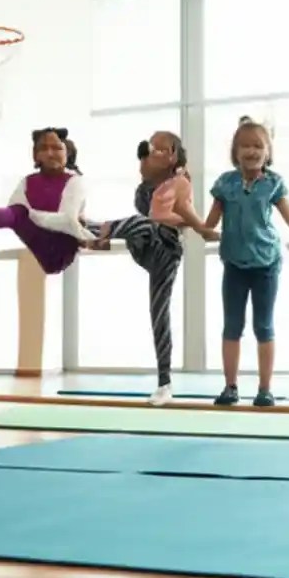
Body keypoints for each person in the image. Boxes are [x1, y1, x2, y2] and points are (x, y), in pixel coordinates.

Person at [88, 132, 219, 405]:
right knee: (143, 224)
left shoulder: (181, 182)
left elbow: (180, 212)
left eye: (159, 149)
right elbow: (150, 212)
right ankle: (94, 232)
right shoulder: (144, 187)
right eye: (150, 149)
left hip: (166, 250)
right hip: (144, 244)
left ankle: (164, 383)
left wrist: (202, 228)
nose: (150, 152)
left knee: (158, 313)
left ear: (173, 156)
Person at [203, 116, 289, 407]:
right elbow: (208, 226)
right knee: (232, 326)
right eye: (244, 146)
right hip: (234, 263)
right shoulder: (225, 183)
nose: (251, 151)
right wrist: (183, 215)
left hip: (265, 264)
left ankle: (264, 389)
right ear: (235, 152)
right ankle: (230, 387)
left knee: (263, 326)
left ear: (267, 152)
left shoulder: (273, 183)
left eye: (258, 145)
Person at [0, 127, 95, 274]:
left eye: (56, 148)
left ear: (67, 153)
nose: (50, 154)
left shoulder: (75, 181)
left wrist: (33, 216)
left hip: (62, 246)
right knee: (17, 212)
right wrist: (24, 216)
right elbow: (11, 216)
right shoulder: (29, 182)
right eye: (43, 149)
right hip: (40, 243)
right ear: (36, 155)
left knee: (24, 213)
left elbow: (66, 220)